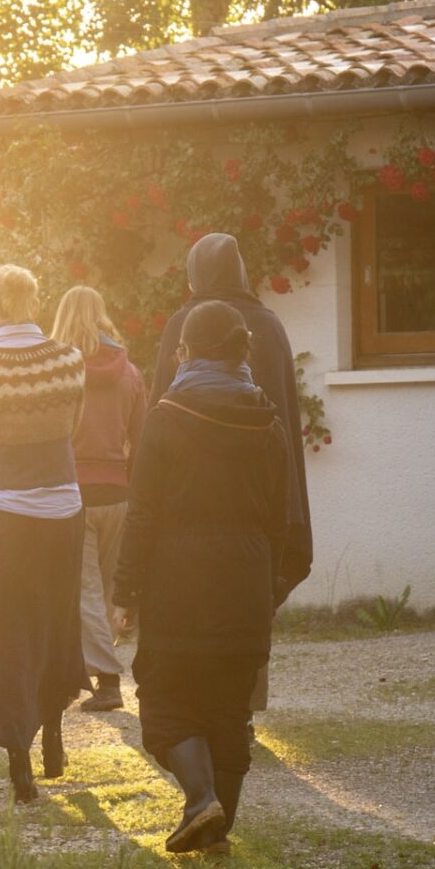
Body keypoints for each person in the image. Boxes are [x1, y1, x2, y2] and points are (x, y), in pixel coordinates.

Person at [114, 300, 291, 853]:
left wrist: (125, 590)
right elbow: (279, 516)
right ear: (240, 351)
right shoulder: (269, 422)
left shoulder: (166, 419)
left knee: (166, 700)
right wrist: (268, 587)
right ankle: (217, 830)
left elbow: (142, 512)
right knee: (228, 707)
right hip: (244, 580)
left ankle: (199, 802)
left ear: (186, 353)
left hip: (179, 582)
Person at [0, 264, 87, 803]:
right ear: (33, 301)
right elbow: (71, 431)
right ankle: (53, 729)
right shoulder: (69, 362)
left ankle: (19, 759)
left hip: (1, 514)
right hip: (59, 511)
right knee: (55, 619)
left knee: (4, 630)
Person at [153, 232, 313, 606]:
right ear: (239, 271)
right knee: (252, 598)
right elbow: (283, 419)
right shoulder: (268, 326)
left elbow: (159, 415)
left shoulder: (181, 324)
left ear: (196, 275)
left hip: (188, 496)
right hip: (256, 492)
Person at [50, 285, 145, 713]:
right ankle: (90, 670)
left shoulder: (58, 374)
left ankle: (107, 680)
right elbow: (142, 439)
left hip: (76, 493)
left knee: (86, 590)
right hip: (118, 492)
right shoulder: (130, 372)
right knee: (105, 589)